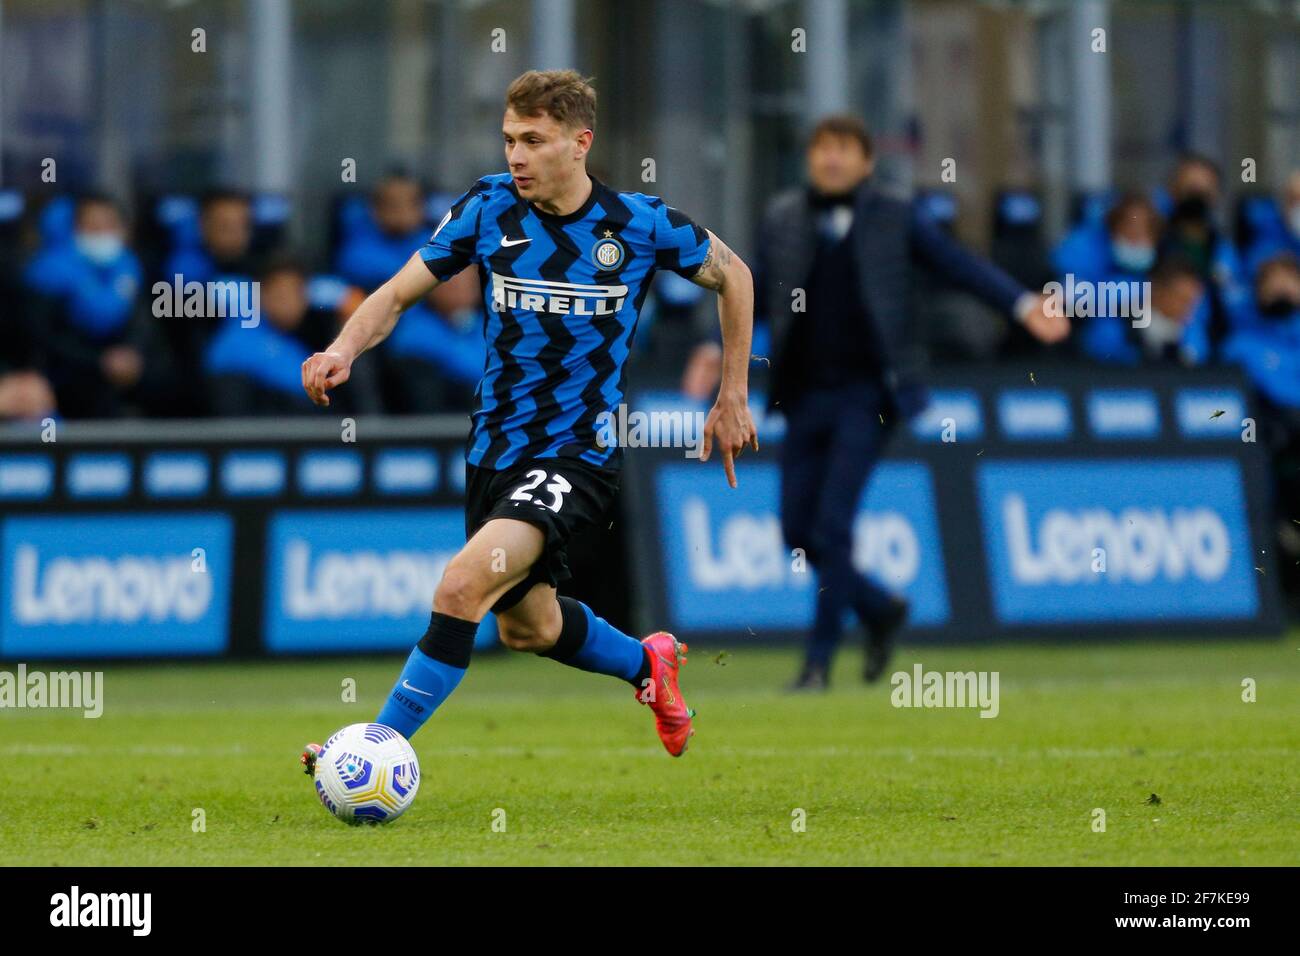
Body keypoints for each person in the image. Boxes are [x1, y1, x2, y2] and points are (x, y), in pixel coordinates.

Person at [298, 70, 758, 765]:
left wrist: (732, 393)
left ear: (579, 144)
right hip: (494, 453)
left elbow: (737, 277)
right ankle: (647, 665)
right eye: (510, 139)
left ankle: (372, 750)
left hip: (578, 456)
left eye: (533, 141)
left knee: (461, 585)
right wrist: (342, 348)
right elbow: (395, 295)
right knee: (528, 628)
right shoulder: (488, 209)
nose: (516, 155)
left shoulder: (637, 224)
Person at [683, 115, 1068, 691]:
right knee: (796, 531)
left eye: (843, 150)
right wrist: (715, 346)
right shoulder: (784, 218)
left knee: (832, 528)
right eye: (821, 149)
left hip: (872, 396)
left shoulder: (896, 216)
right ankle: (879, 608)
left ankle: (817, 664)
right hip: (803, 394)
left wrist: (1019, 305)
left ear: (866, 162)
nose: (830, 160)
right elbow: (750, 288)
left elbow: (958, 265)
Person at [21, 193, 170, 418]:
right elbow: (44, 339)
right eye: (91, 226)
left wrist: (131, 355)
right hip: (69, 380)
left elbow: (143, 326)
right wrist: (99, 361)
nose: (100, 233)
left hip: (124, 379)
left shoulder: (133, 269)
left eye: (108, 225)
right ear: (74, 231)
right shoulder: (48, 276)